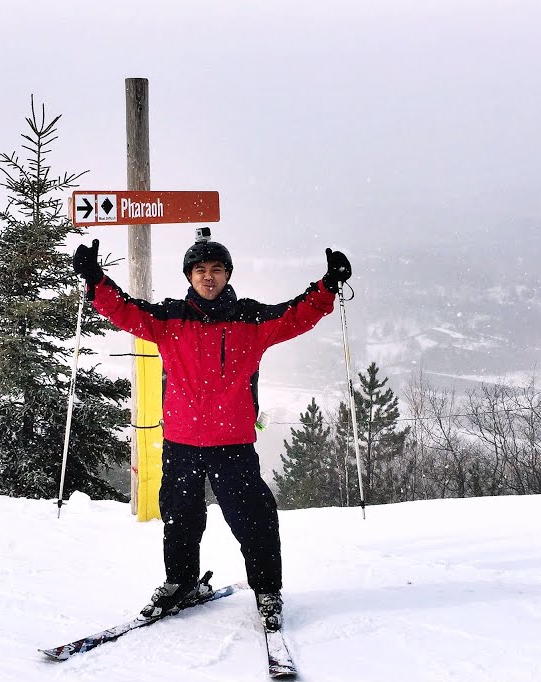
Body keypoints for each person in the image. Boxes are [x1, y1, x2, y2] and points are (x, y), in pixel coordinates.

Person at [71, 229, 352, 630]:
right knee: (180, 519)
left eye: (216, 269)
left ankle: (268, 590)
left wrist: (328, 286)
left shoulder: (251, 320)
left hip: (232, 444)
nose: (208, 276)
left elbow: (296, 314)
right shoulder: (169, 319)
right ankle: (181, 583)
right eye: (200, 270)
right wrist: (95, 280)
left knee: (253, 520)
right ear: (189, 276)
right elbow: (125, 310)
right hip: (181, 442)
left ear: (227, 274)